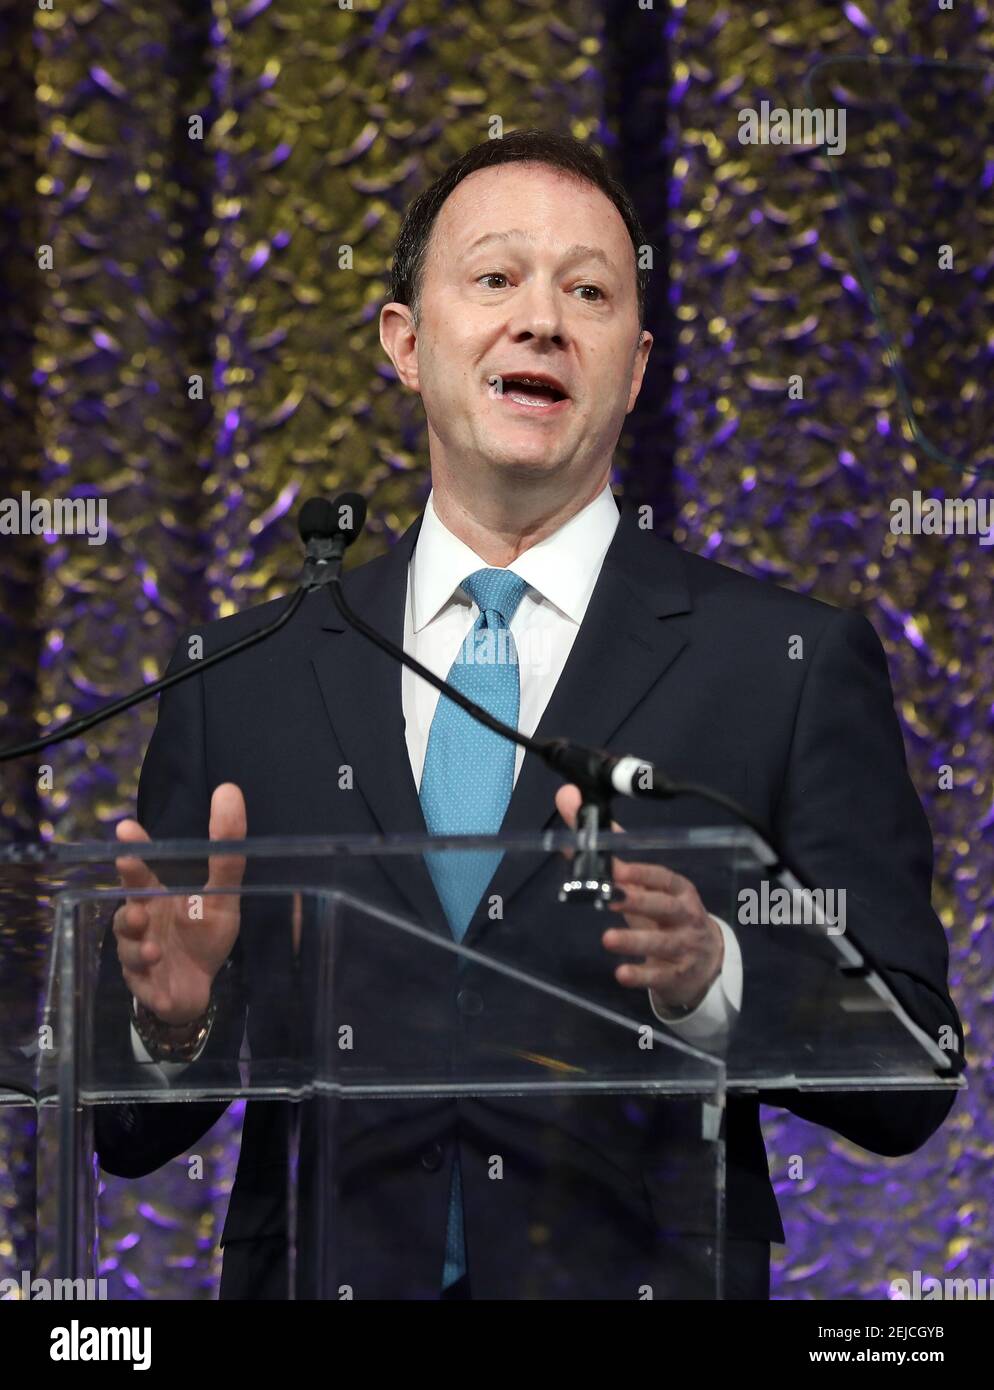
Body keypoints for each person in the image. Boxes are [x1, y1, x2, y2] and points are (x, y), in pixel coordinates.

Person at [95, 129, 962, 1300]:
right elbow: (124, 1129)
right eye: (496, 277)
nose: (542, 320)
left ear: (636, 367)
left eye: (588, 292)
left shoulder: (782, 664)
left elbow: (911, 1070)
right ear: (406, 342)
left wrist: (715, 975)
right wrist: (173, 1024)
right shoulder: (242, 674)